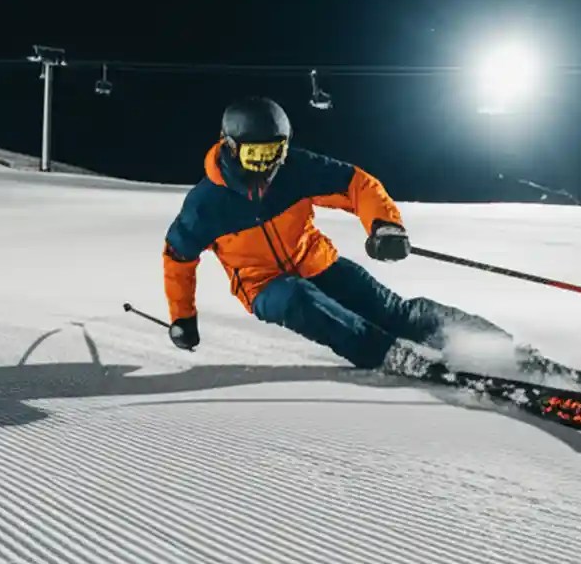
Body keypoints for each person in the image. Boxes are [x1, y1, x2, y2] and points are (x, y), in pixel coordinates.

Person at [161, 96, 517, 376]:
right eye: (256, 155)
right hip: (262, 286)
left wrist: (384, 225)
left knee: (392, 310)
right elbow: (178, 260)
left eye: (275, 153)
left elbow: (356, 184)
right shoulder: (205, 205)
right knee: (301, 300)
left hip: (316, 261)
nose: (267, 166)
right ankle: (387, 353)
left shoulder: (294, 171)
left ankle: (485, 344)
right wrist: (182, 319)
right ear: (230, 147)